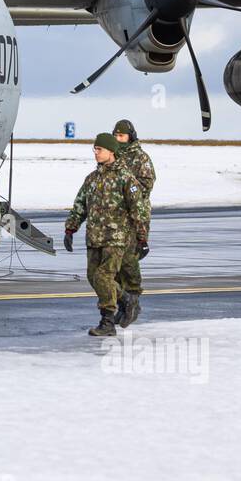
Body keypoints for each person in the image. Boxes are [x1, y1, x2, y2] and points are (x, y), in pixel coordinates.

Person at [63, 132, 148, 337]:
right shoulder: (91, 179)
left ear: (111, 151)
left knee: (103, 276)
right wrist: (70, 228)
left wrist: (142, 238)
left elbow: (139, 210)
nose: (96, 153)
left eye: (99, 149)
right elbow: (80, 205)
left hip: (116, 238)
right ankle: (126, 299)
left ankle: (107, 321)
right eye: (95, 149)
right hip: (94, 238)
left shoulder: (126, 178)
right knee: (93, 277)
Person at [112, 118, 155, 326]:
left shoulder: (141, 158)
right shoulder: (113, 156)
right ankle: (123, 305)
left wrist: (127, 188)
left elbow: (146, 185)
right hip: (116, 217)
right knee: (115, 263)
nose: (118, 139)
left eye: (121, 136)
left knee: (129, 262)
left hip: (135, 216)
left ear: (130, 136)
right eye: (116, 136)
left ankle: (134, 302)